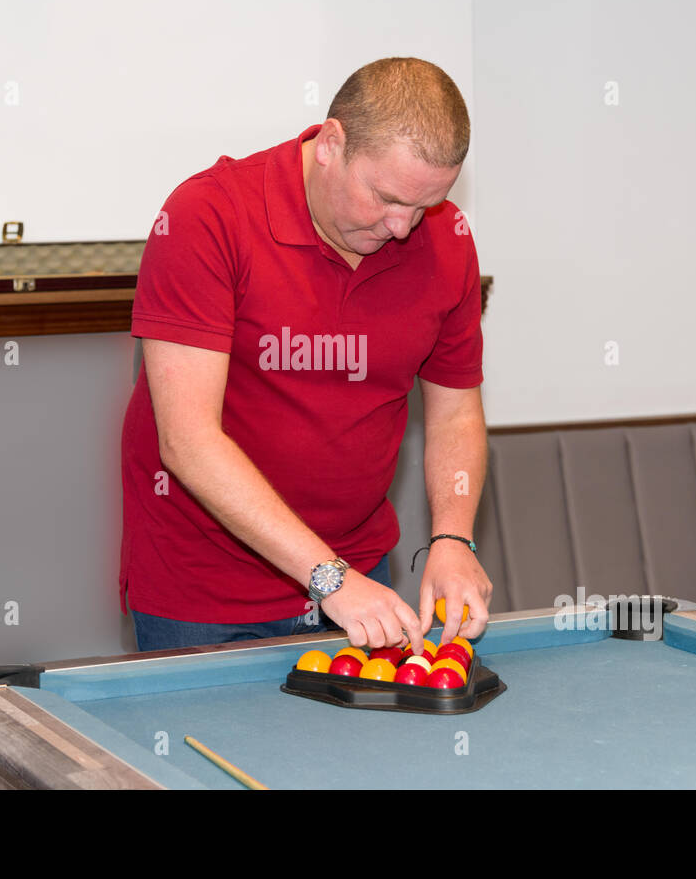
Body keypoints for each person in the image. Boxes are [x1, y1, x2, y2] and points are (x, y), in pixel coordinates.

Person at [120, 56, 491, 654]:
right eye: (386, 197)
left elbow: (455, 413)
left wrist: (453, 538)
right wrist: (328, 578)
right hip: (206, 591)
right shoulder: (207, 216)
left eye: (425, 205)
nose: (402, 227)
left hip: (362, 577)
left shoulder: (445, 240)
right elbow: (188, 440)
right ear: (330, 144)